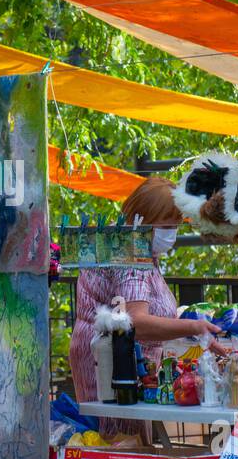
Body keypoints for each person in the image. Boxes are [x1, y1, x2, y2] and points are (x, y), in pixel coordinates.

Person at [69, 177, 225, 435]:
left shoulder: (128, 244)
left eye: (176, 225)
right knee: (120, 447)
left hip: (115, 361)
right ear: (144, 219)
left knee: (120, 445)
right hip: (114, 367)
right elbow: (136, 323)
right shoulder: (131, 252)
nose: (172, 232)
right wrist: (195, 326)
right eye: (167, 224)